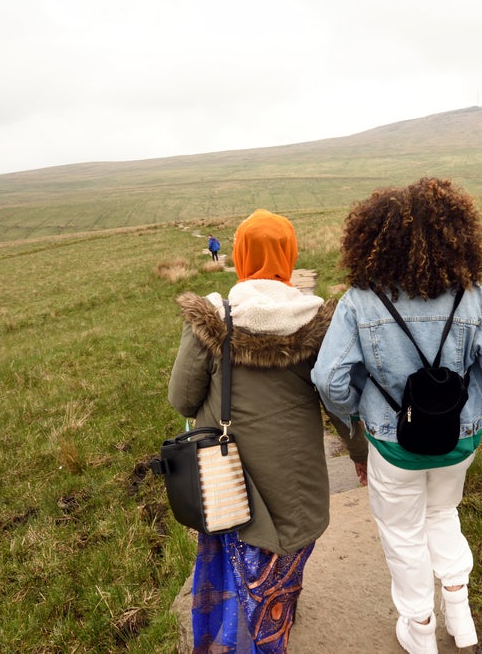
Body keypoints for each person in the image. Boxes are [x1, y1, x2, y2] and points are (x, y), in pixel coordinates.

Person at [313, 177, 482, 654]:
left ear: (371, 241)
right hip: (460, 440)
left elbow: (328, 380)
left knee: (403, 531)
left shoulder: (360, 301)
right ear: (457, 235)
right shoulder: (472, 297)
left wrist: (356, 417)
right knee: (442, 511)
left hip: (393, 443)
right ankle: (460, 616)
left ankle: (420, 628)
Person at [169, 209, 366, 653]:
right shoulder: (317, 321)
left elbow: (182, 399)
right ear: (288, 255)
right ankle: (277, 617)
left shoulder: (212, 319)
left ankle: (239, 636)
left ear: (238, 256)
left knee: (238, 549)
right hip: (295, 478)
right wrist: (360, 454)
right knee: (284, 554)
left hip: (227, 478)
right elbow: (339, 401)